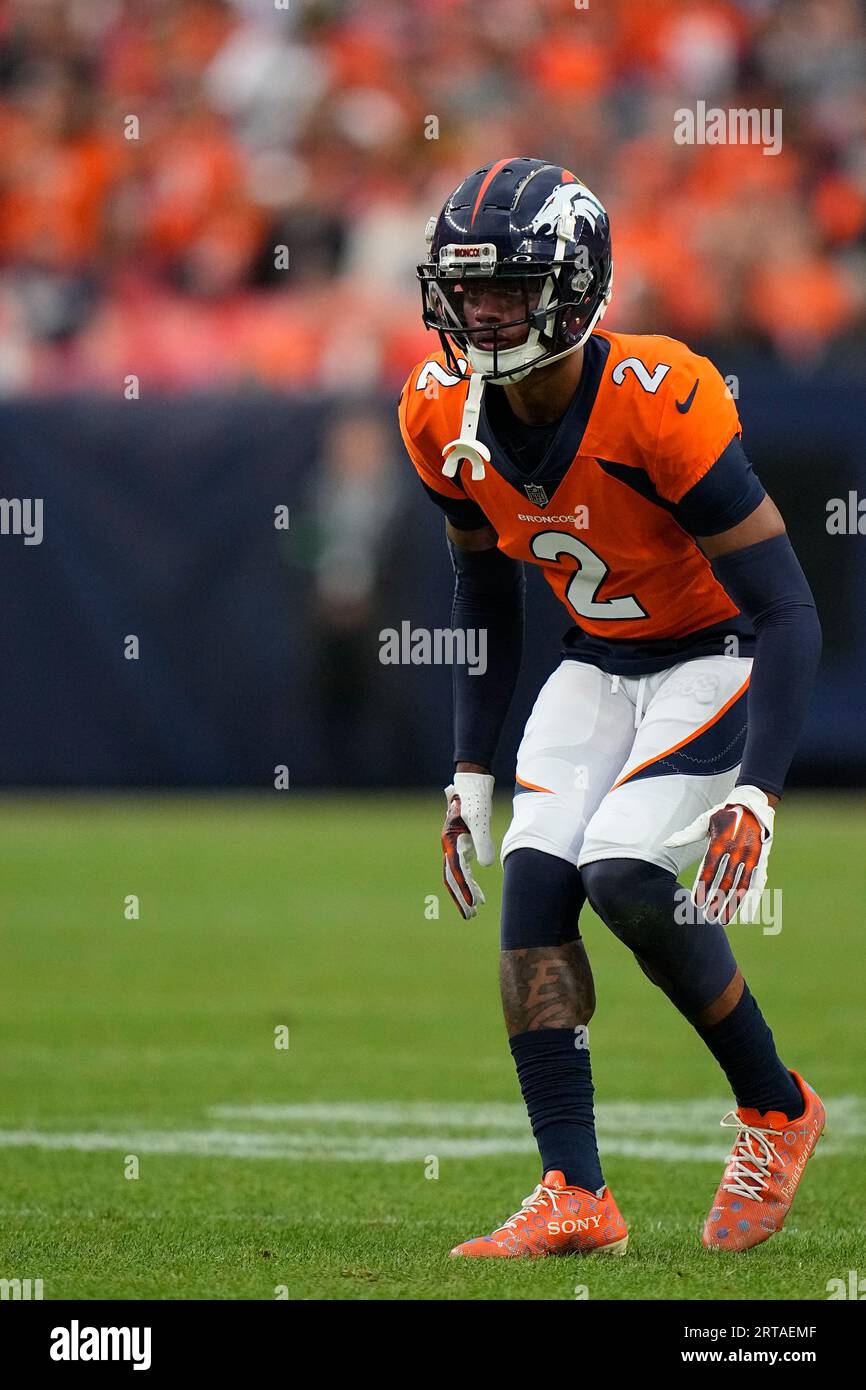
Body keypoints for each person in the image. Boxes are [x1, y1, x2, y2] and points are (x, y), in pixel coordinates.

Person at [398, 157, 823, 1258]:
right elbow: (483, 588)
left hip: (711, 650)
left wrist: (761, 793)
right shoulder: (437, 407)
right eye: (465, 289)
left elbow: (786, 606)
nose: (479, 311)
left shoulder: (657, 399)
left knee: (625, 878)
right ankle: (573, 1191)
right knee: (533, 891)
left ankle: (775, 1106)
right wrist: (468, 769)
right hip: (595, 662)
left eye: (507, 288)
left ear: (576, 287)